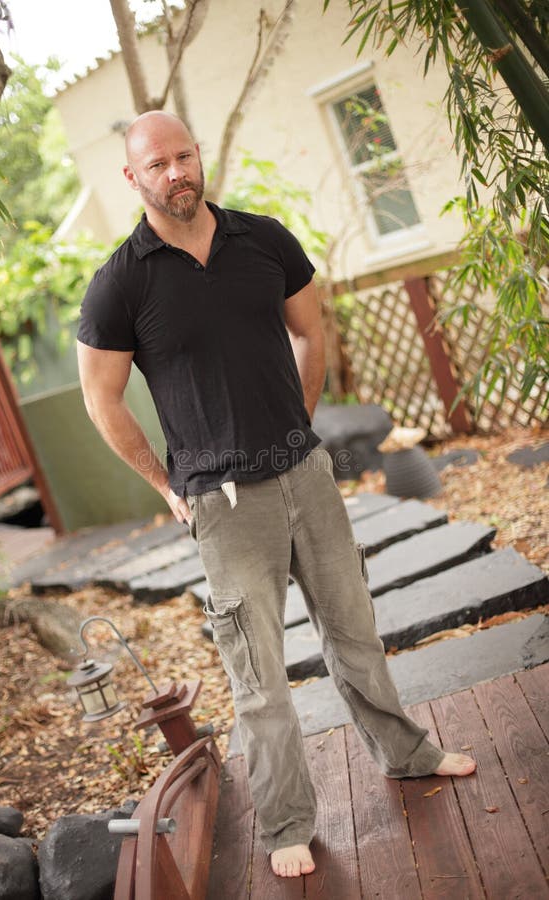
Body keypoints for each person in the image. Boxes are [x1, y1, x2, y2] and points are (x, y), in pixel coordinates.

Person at [76, 110, 476, 880]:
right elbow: (103, 398)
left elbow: (308, 330)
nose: (175, 173)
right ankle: (288, 823)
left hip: (305, 475)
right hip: (222, 504)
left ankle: (408, 756)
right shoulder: (121, 282)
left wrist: (303, 423)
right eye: (156, 165)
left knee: (355, 635)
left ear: (198, 157)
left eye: (183, 156)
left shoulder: (263, 238)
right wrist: (166, 484)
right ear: (133, 178)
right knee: (258, 680)